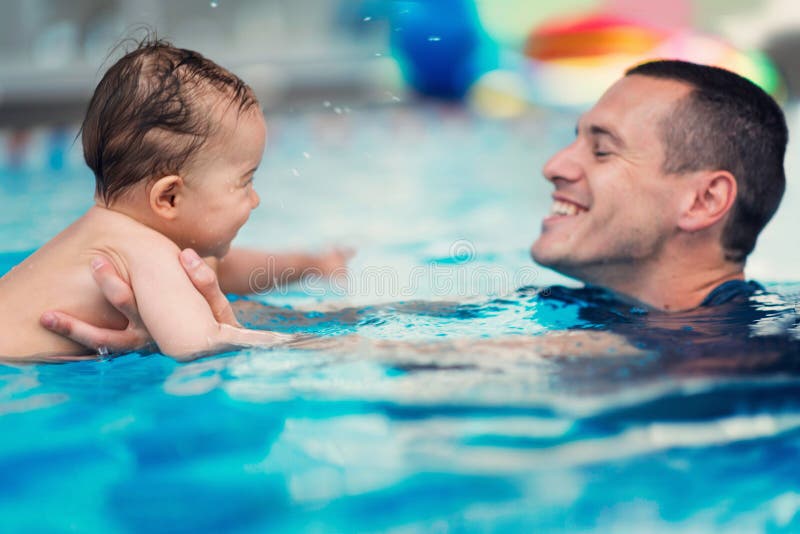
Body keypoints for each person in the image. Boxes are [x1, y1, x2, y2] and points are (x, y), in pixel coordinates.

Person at [40, 59, 790, 358]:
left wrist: (213, 344)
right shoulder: (568, 310)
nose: (554, 165)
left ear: (705, 199)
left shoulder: (754, 360)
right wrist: (182, 325)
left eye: (601, 148)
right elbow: (367, 333)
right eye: (571, 140)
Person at [0, 38, 350, 361]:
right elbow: (198, 343)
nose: (255, 199)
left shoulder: (106, 232)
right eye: (245, 182)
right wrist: (328, 345)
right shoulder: (149, 252)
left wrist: (310, 265)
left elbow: (221, 270)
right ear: (169, 197)